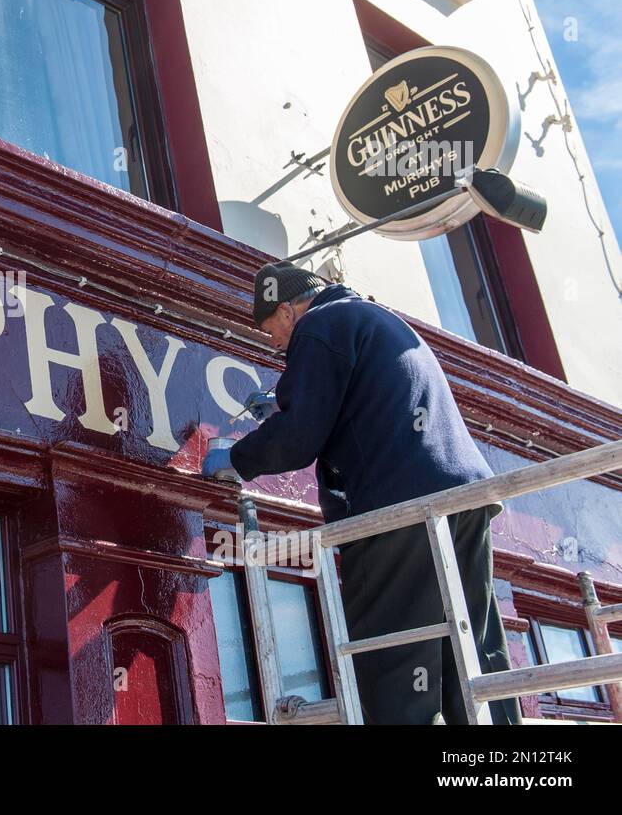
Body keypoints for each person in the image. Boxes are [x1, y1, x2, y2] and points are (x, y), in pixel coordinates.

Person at [201, 260, 521, 725]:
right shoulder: (375, 317)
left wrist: (235, 459)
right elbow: (363, 397)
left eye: (271, 329)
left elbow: (299, 438)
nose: (273, 344)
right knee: (470, 654)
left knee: (389, 661)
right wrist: (285, 398)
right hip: (464, 499)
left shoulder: (317, 326)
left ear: (289, 310)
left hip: (398, 509)